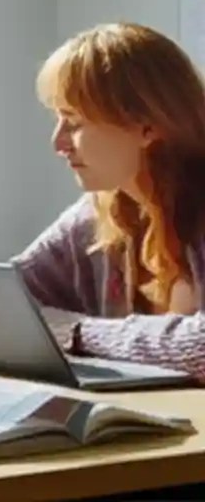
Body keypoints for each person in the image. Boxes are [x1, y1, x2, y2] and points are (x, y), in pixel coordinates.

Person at [16, 22, 205, 380]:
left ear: (147, 126)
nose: (58, 143)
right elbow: (9, 302)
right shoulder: (98, 212)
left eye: (73, 123)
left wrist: (78, 333)